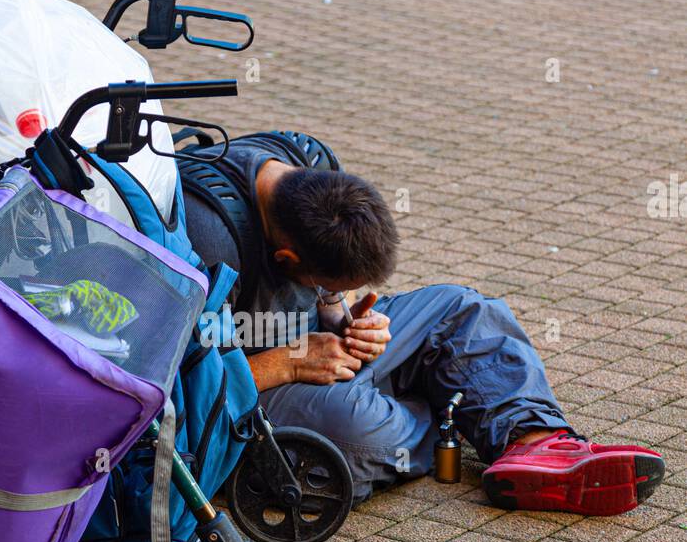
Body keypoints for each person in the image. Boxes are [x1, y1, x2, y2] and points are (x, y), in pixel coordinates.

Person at [182, 139, 665, 515]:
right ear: (285, 258)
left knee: (463, 310)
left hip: (317, 348)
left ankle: (535, 445)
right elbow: (183, 388)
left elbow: (328, 295)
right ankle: (456, 412)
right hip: (241, 386)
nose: (332, 292)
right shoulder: (206, 242)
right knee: (361, 432)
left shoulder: (306, 160)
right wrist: (290, 360)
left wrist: (348, 316)